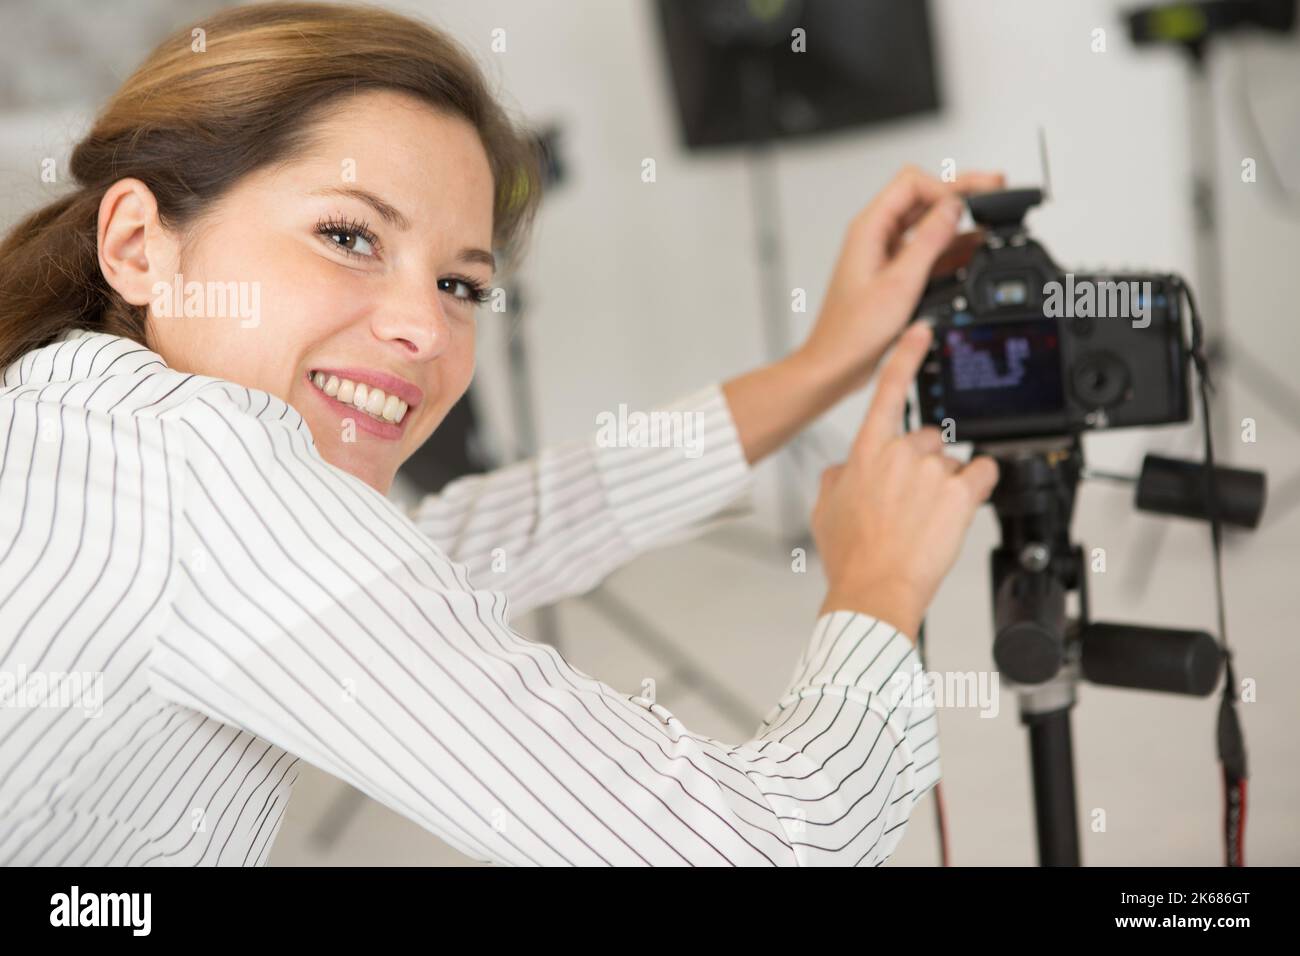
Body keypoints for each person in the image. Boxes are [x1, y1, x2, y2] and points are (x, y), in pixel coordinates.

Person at [0, 2, 1000, 866]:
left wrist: (822, 360)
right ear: (139, 244)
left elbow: (449, 549)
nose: (424, 328)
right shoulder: (210, 473)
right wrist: (879, 585)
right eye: (348, 236)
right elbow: (771, 844)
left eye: (460, 284)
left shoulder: (78, 406)